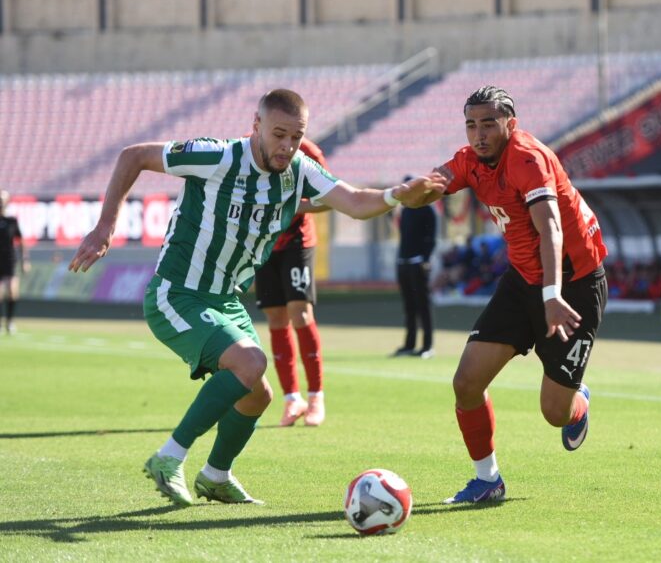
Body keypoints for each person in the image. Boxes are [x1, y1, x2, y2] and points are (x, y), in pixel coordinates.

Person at [68, 88, 444, 507]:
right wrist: (105, 227)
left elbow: (353, 201)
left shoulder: (299, 169)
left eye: (296, 137)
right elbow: (133, 155)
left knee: (258, 394)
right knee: (251, 363)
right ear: (256, 126)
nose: (287, 146)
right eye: (279, 134)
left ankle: (215, 475)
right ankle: (168, 458)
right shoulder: (218, 157)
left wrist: (397, 195)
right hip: (178, 293)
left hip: (227, 299)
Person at [422, 86, 608, 504]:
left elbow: (552, 230)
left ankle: (579, 399)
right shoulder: (470, 160)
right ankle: (488, 480)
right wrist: (391, 197)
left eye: (489, 123)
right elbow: (433, 183)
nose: (479, 134)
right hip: (523, 280)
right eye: (472, 125)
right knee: (467, 382)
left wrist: (552, 294)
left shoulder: (528, 159)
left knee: (554, 412)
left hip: (573, 286)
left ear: (511, 123)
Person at [255, 138, 328, 427]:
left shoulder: (309, 152)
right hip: (265, 244)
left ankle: (315, 397)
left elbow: (329, 198)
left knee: (300, 312)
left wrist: (290, 207)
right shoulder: (247, 149)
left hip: (298, 242)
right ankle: (291, 399)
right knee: (275, 316)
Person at [392, 175, 437, 359]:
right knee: (409, 306)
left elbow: (431, 238)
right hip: (403, 261)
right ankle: (409, 345)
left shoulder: (427, 209)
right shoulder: (405, 210)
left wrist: (425, 259)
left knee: (423, 306)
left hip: (418, 262)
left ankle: (427, 346)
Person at [0, 190, 29, 334]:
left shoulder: (12, 221)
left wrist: (25, 260)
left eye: (3, 199)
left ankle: (10, 322)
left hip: (9, 259)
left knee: (12, 292)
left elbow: (21, 240)